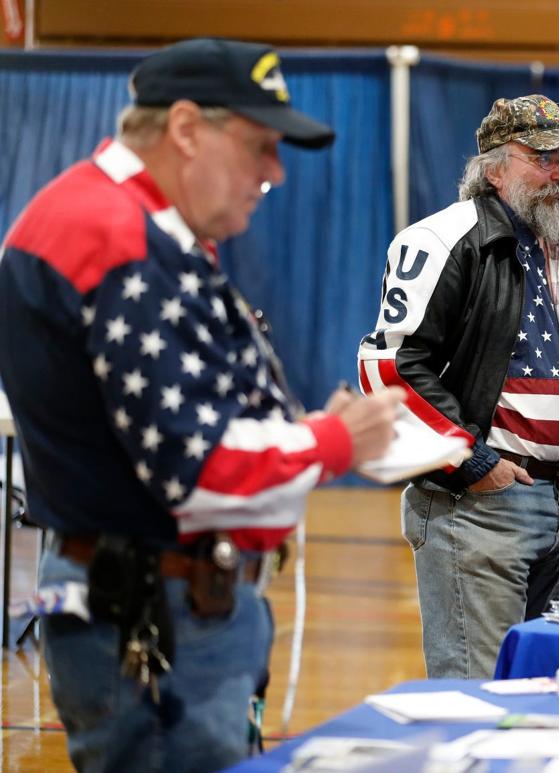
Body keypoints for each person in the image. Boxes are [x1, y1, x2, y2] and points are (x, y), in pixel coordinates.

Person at [0, 38, 403, 772]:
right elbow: (202, 463)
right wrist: (332, 441)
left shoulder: (131, 223)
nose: (273, 174)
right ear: (185, 129)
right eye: (259, 147)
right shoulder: (118, 238)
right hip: (162, 616)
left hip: (172, 606)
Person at [357, 95, 559, 679]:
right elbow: (387, 369)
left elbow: (540, 365)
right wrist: (472, 460)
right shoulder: (442, 238)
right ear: (493, 168)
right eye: (543, 159)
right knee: (478, 708)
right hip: (480, 509)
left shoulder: (557, 244)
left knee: (532, 705)